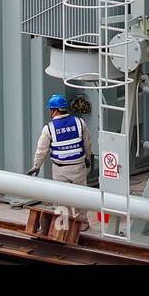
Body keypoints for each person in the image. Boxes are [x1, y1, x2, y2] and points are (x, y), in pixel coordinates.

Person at [29, 94, 94, 230]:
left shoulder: (49, 128)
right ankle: (82, 223)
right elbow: (87, 143)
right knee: (81, 195)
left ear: (55, 110)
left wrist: (36, 166)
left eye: (50, 109)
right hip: (78, 167)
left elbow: (41, 150)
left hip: (60, 169)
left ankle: (64, 225)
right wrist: (88, 157)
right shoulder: (79, 122)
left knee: (61, 197)